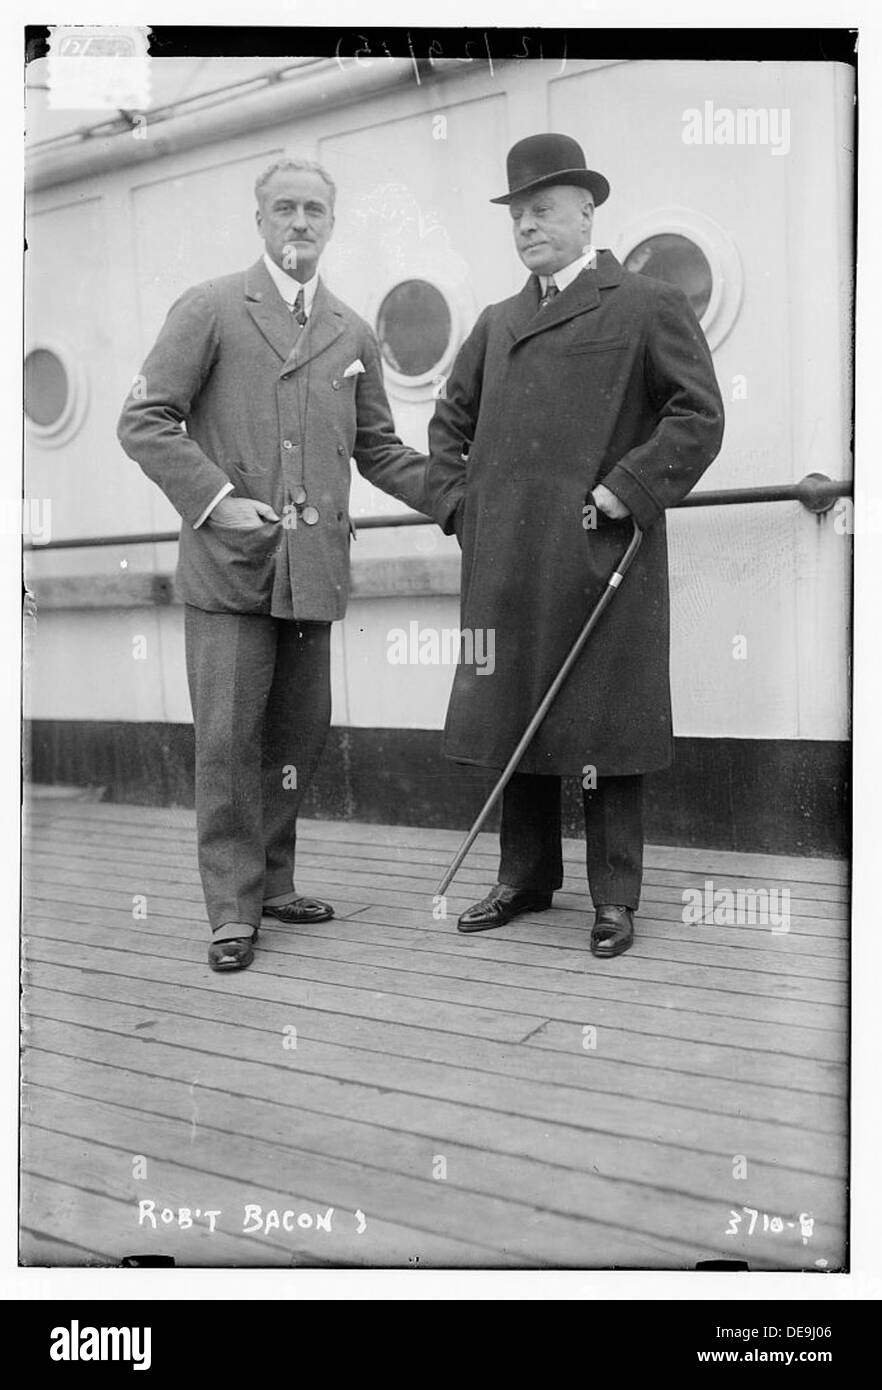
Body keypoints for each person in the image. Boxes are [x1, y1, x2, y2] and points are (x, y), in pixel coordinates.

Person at [118, 156, 427, 972]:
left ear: (332, 223)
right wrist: (218, 499)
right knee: (227, 741)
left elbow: (380, 450)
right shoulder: (211, 307)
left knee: (298, 737)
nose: (299, 222)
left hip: (312, 569)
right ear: (259, 221)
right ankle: (231, 910)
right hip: (231, 567)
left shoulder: (352, 329)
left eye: (315, 211)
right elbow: (145, 419)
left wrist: (465, 491)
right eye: (284, 208)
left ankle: (274, 882)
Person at [423, 133, 725, 958]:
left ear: (587, 212)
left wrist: (624, 490)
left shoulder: (645, 303)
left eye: (544, 209)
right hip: (508, 561)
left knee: (605, 722)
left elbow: (697, 416)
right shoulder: (495, 323)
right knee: (513, 706)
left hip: (602, 551)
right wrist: (464, 511)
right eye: (518, 213)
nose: (528, 225)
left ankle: (615, 897)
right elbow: (446, 429)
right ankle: (524, 878)